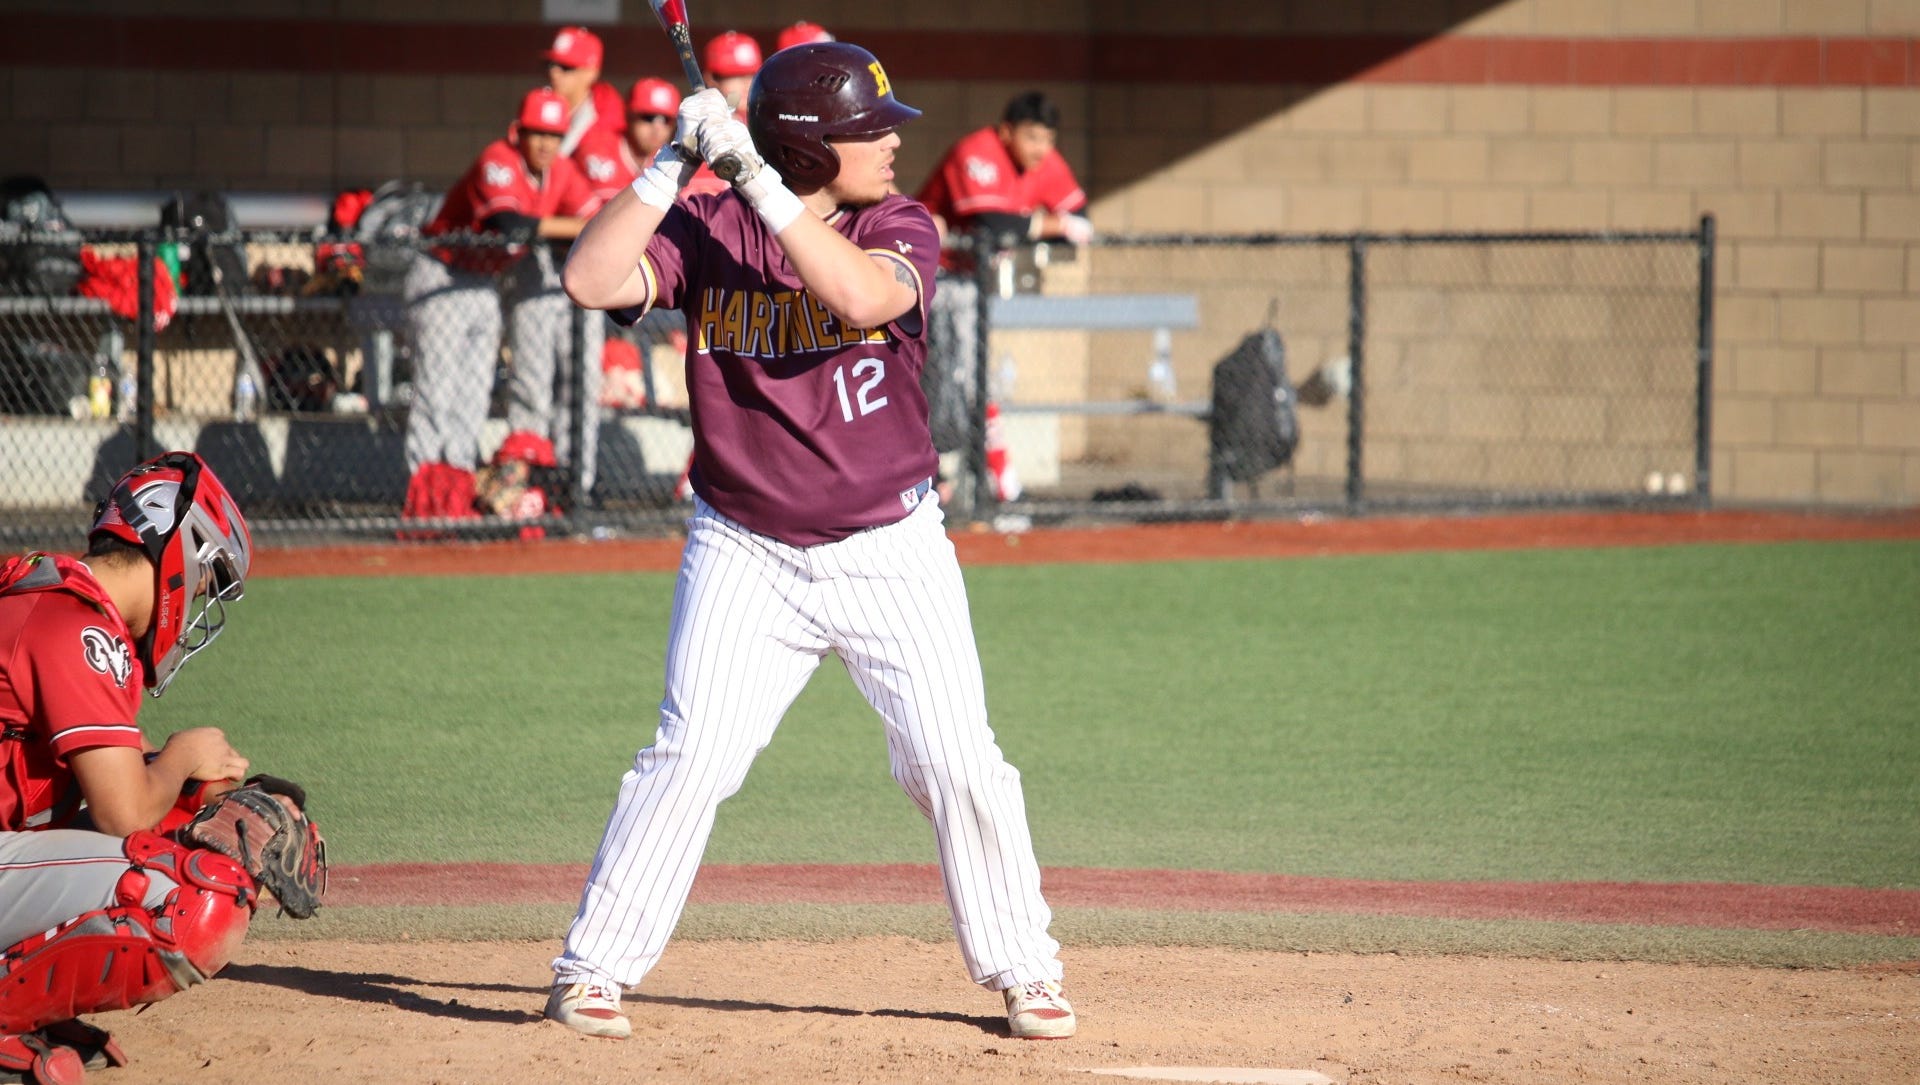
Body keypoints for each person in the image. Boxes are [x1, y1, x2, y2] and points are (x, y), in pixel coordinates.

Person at [544, 41, 1077, 1043]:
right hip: (743, 545)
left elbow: (863, 297)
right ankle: (594, 966)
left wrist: (751, 174)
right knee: (691, 754)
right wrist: (674, 164)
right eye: (868, 129)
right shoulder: (704, 226)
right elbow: (588, 278)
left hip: (891, 545)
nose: (890, 141)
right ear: (809, 145)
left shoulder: (898, 221)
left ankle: (1026, 966)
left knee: (956, 759)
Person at [0, 452, 326, 1083]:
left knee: (176, 825)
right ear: (178, 554)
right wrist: (179, 757)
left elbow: (86, 804)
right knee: (196, 892)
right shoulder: (77, 625)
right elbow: (123, 812)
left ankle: (25, 1000)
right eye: (205, 580)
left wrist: (182, 790)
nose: (199, 599)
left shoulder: (45, 599)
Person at [403, 87, 604, 521]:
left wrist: (569, 225)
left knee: (473, 396)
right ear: (518, 132)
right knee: (437, 391)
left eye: (554, 134)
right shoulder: (499, 157)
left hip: (485, 283)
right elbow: (508, 223)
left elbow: (597, 219)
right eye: (537, 133)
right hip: (442, 274)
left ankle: (452, 494)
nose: (546, 143)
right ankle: (422, 494)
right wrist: (571, 225)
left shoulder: (561, 171)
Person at [913, 91, 1094, 503]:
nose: (1041, 149)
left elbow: (1081, 218)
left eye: (1047, 140)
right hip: (930, 275)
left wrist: (1036, 225)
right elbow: (990, 222)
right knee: (939, 382)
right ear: (1007, 131)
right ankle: (976, 481)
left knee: (969, 381)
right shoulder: (977, 150)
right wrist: (1051, 224)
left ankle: (985, 482)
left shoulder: (1045, 161)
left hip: (970, 281)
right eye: (1032, 138)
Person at [574, 78, 682, 205]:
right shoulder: (595, 150)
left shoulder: (673, 164)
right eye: (648, 117)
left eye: (666, 120)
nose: (657, 128)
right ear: (628, 116)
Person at [544, 25, 626, 157]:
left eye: (565, 67)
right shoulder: (539, 107)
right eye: (551, 65)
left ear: (591, 73)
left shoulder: (609, 122)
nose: (554, 73)